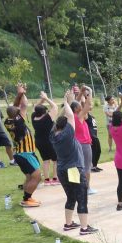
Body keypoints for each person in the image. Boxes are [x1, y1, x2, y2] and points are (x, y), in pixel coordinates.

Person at [45, 93, 97, 235]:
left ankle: (68, 224)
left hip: (62, 170)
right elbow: (70, 115)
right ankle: (85, 228)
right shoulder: (68, 134)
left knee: (71, 197)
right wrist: (67, 101)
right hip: (73, 170)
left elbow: (62, 118)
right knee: (81, 197)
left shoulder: (52, 136)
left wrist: (65, 104)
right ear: (66, 125)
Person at [4, 85, 42, 208]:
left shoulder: (8, 121)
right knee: (36, 176)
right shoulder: (19, 121)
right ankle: (27, 199)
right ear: (18, 114)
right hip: (26, 153)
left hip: (19, 153)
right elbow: (23, 105)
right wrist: (20, 94)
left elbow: (15, 107)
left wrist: (20, 94)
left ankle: (27, 197)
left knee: (29, 177)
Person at [31, 100, 57, 185]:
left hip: (39, 141)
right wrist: (46, 98)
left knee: (45, 160)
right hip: (49, 141)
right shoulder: (47, 118)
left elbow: (35, 108)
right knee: (56, 160)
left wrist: (41, 100)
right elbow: (55, 107)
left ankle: (46, 180)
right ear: (44, 112)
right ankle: (55, 178)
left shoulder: (33, 117)